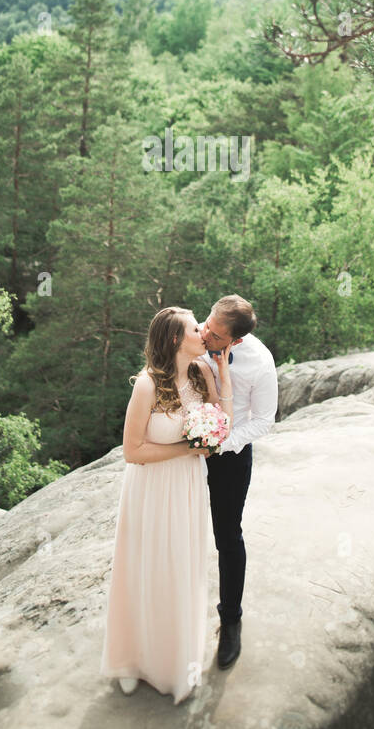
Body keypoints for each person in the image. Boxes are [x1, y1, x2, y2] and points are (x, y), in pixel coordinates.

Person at [100, 306, 233, 704]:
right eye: (196, 328)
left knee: (181, 569)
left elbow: (220, 427)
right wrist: (186, 447)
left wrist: (222, 376)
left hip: (188, 487)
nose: (203, 332)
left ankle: (175, 665)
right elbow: (132, 450)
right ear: (176, 340)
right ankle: (131, 661)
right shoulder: (146, 386)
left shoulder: (201, 373)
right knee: (144, 570)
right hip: (151, 489)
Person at [200, 295, 278, 670]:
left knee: (228, 538)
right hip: (181, 450)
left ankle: (231, 619)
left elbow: (264, 420)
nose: (204, 333)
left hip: (229, 456)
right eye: (206, 322)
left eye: (214, 334)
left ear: (235, 341)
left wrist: (219, 444)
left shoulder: (259, 362)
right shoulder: (197, 334)